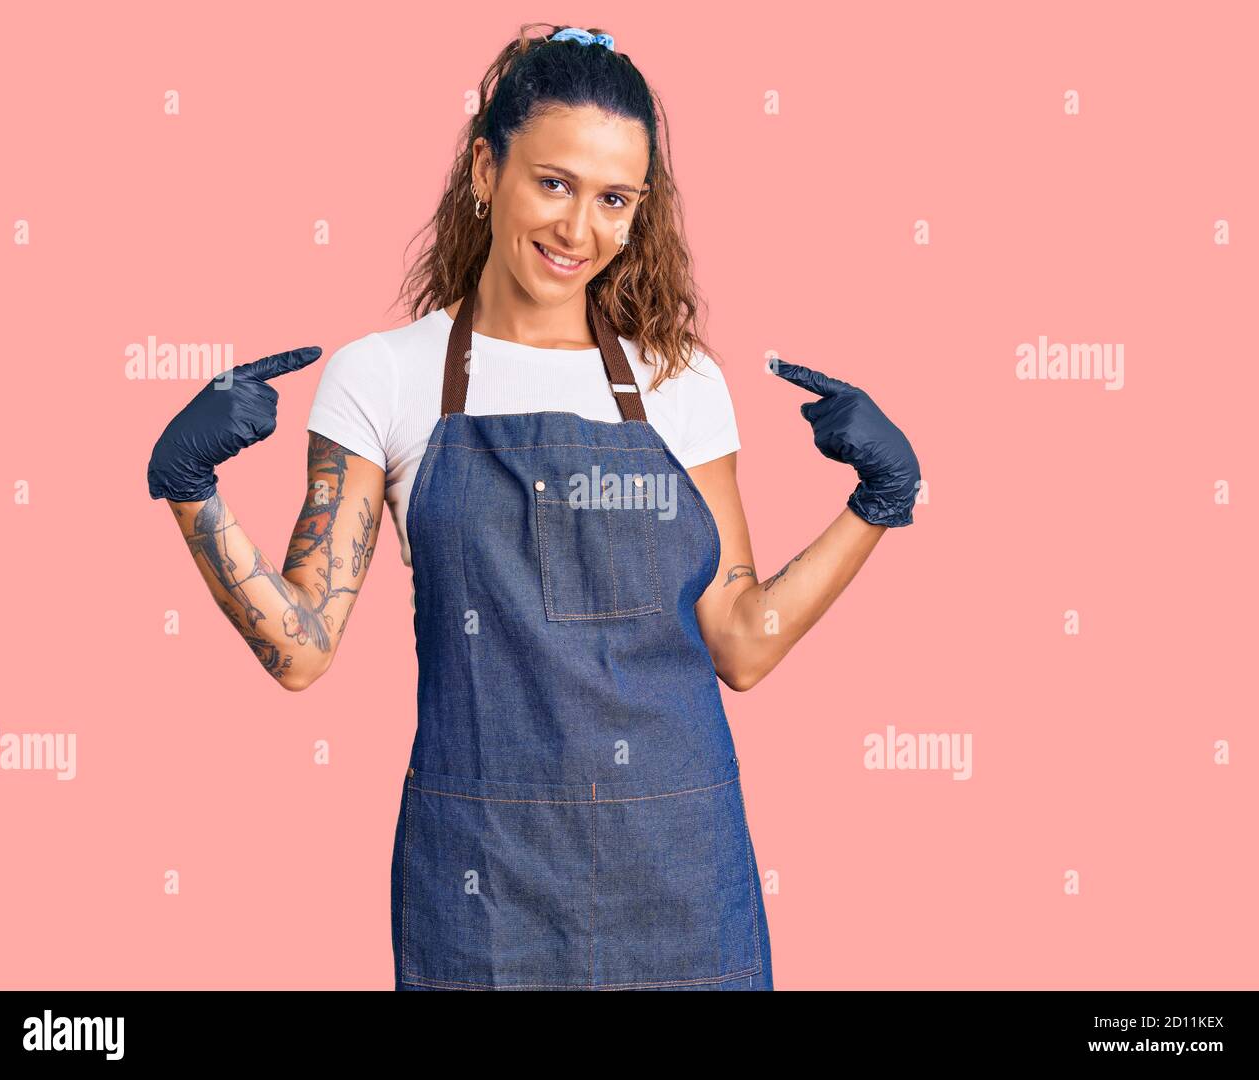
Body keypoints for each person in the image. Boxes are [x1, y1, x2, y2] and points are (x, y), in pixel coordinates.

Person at [146, 24, 920, 992]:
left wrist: (876, 504)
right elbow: (300, 646)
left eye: (613, 200)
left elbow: (742, 639)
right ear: (485, 168)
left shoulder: (680, 384)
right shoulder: (383, 378)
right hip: (483, 880)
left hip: (679, 867)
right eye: (552, 183)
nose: (577, 230)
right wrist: (192, 494)